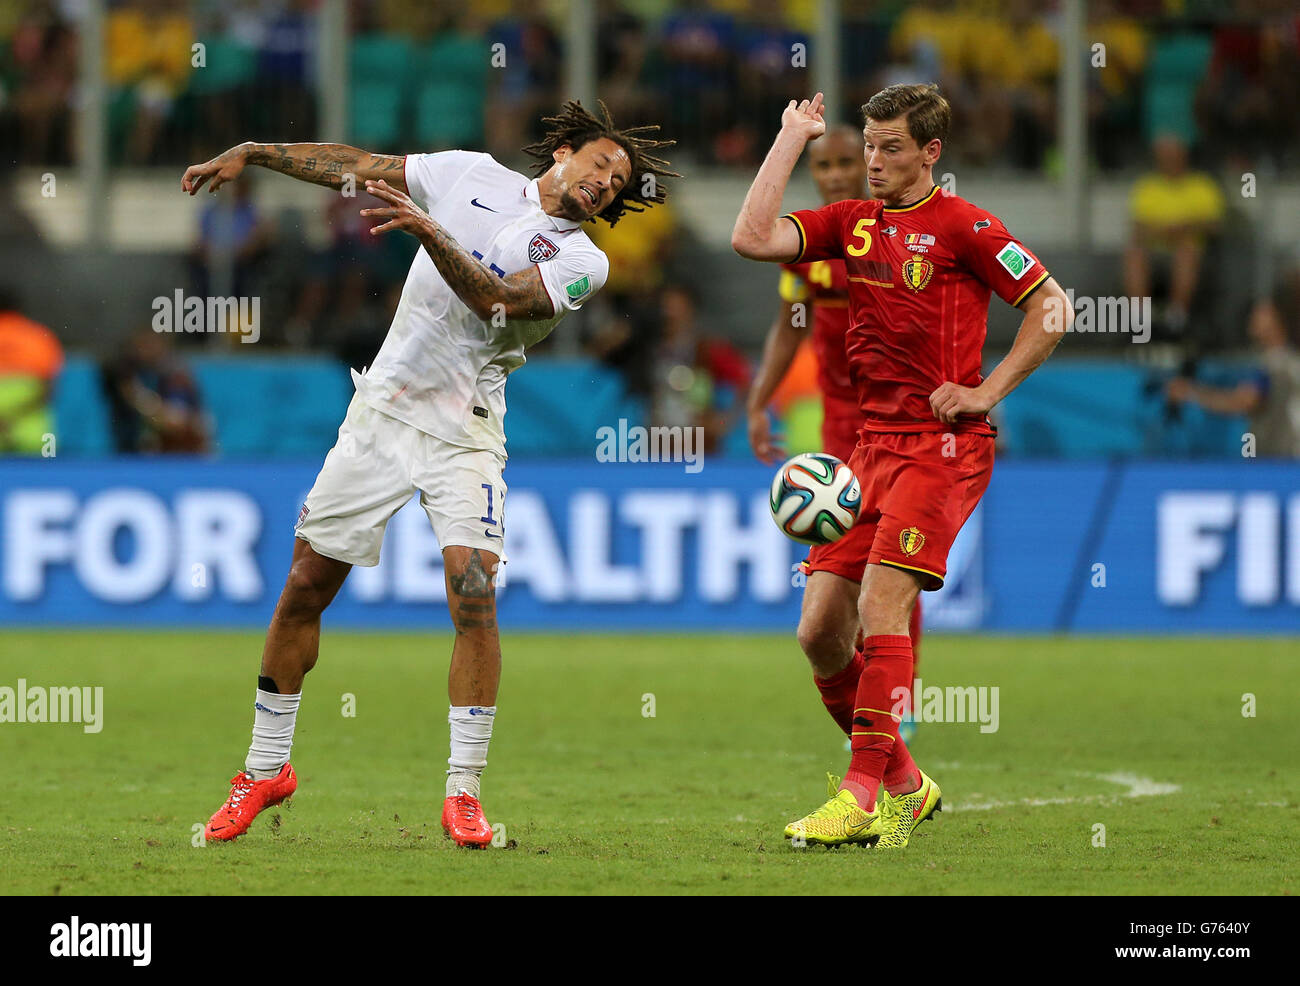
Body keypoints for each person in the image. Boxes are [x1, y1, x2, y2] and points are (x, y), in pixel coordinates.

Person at [181, 100, 676, 847]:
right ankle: (263, 770)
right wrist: (256, 149)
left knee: (473, 590)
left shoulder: (583, 261)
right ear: (565, 150)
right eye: (602, 164)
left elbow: (499, 300)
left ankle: (464, 793)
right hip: (380, 413)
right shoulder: (467, 173)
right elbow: (357, 167)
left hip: (466, 428)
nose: (608, 182)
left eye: (619, 182)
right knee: (305, 586)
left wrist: (433, 234)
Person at [732, 84, 1070, 849]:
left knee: (883, 608)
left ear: (930, 154)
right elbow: (752, 239)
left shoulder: (966, 226)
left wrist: (986, 389)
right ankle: (906, 784)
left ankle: (857, 795)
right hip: (867, 453)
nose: (873, 163)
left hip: (942, 449)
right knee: (819, 631)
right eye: (867, 145)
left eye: (889, 148)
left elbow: (1054, 308)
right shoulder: (851, 227)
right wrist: (791, 137)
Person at [744, 125, 925, 747]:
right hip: (839, 434)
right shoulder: (814, 248)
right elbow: (790, 324)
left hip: (902, 429)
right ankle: (868, 706)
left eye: (852, 161)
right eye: (826, 165)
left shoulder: (896, 239)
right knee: (836, 577)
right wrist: (759, 399)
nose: (840, 174)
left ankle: (901, 696)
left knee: (895, 566)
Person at [1166, 299, 1300, 458]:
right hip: (1278, 461)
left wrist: (1189, 392)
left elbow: (1245, 402)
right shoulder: (1271, 361)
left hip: (1287, 461)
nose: (1253, 318)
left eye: (1262, 314)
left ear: (1278, 321)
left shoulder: (1282, 365)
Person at [0, 288, 63, 455]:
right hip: (31, 423)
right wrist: (17, 416)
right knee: (45, 464)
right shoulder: (37, 336)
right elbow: (49, 388)